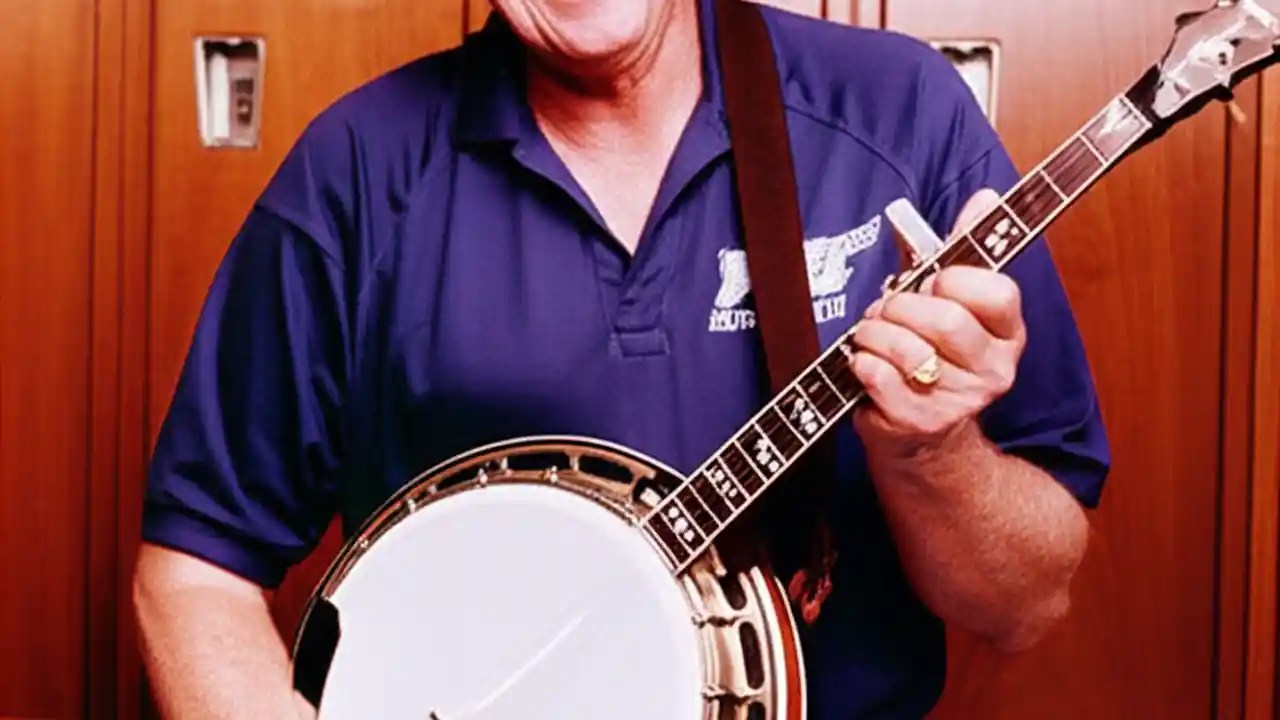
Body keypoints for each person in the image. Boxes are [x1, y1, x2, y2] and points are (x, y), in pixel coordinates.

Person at [133, 0, 1110, 717]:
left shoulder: (901, 116)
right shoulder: (358, 168)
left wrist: (930, 452)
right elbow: (194, 571)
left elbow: (1024, 606)